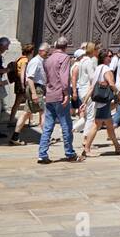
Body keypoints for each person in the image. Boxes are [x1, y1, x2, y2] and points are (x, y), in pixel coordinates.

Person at [37, 36, 79, 164]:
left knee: (48, 126)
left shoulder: (47, 59)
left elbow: (47, 77)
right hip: (60, 95)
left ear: (55, 46)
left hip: (49, 95)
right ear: (66, 47)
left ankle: (42, 154)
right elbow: (64, 76)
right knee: (66, 125)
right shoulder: (65, 58)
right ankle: (70, 153)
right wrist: (66, 94)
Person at [81, 49, 120, 158]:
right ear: (104, 57)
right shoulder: (106, 69)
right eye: (109, 56)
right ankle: (87, 149)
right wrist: (119, 93)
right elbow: (111, 84)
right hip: (104, 102)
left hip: (100, 101)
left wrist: (85, 102)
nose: (111, 58)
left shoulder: (98, 68)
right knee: (96, 125)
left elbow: (92, 87)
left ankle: (117, 146)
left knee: (110, 125)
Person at [74, 42, 98, 134]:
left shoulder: (82, 61)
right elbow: (93, 78)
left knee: (87, 117)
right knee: (90, 118)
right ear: (93, 50)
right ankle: (86, 140)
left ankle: (72, 129)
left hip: (82, 90)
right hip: (88, 91)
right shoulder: (89, 62)